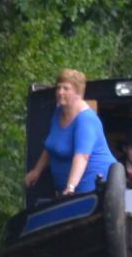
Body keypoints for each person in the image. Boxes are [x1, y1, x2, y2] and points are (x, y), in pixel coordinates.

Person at [23, 68, 115, 199]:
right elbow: (51, 145)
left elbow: (82, 157)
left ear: (78, 93)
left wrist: (70, 187)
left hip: (92, 188)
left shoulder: (85, 119)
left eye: (66, 89)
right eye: (58, 88)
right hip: (66, 190)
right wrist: (37, 171)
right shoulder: (59, 111)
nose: (60, 92)